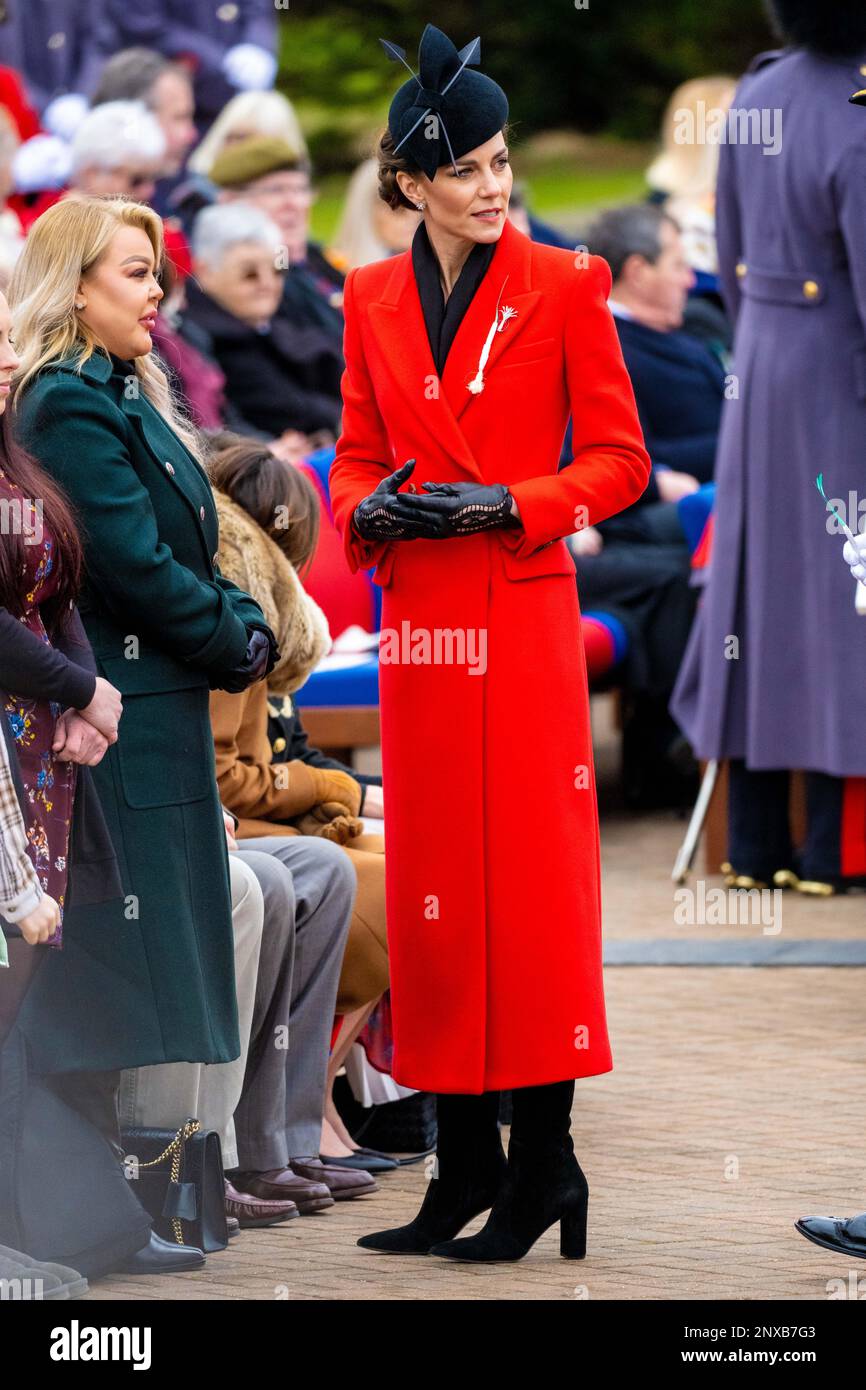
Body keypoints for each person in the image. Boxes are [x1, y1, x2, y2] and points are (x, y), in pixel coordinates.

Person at [329, 24, 651, 1263]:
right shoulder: (366, 298)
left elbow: (617, 463)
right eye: (465, 167)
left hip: (516, 626)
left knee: (529, 897)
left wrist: (507, 502)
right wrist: (368, 507)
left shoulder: (566, 284)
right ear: (408, 184)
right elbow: (355, 456)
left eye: (501, 160)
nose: (492, 183)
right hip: (418, 632)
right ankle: (462, 1161)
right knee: (437, 906)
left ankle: (547, 1161)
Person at [5, 193, 279, 1238]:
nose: (160, 291)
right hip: (117, 715)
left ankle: (131, 1202)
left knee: (152, 967)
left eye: (158, 271)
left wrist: (245, 618)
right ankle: (100, 1208)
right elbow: (128, 565)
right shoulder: (67, 403)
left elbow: (192, 550)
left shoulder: (120, 390)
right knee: (118, 973)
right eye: (135, 272)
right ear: (76, 285)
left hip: (156, 709)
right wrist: (230, 637)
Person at [670, 0, 866, 896]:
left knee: (758, 598)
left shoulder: (761, 89)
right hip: (838, 372)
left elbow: (737, 252)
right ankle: (830, 847)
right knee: (838, 608)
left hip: (761, 365)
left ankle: (754, 843)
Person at [183, 202, 343, 437]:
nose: (267, 283)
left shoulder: (269, 315)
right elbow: (288, 406)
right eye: (249, 273)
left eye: (277, 270)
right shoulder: (211, 335)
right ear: (205, 271)